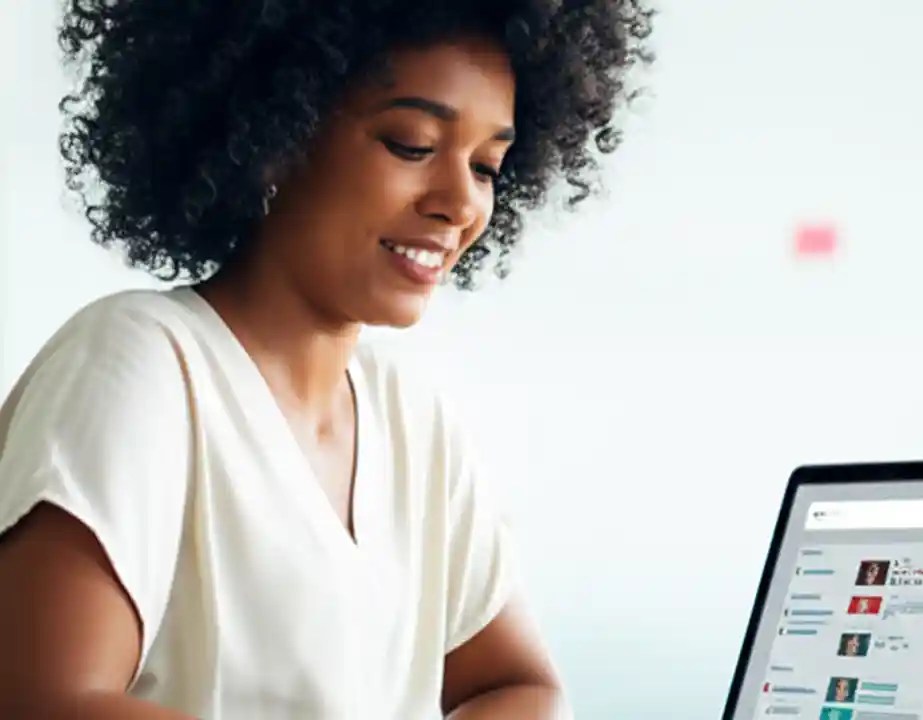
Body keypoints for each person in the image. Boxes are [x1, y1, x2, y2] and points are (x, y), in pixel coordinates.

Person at [0, 1, 651, 718]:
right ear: (275, 134)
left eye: (487, 165)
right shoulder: (140, 366)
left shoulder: (411, 422)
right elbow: (43, 701)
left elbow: (521, 687)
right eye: (411, 144)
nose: (461, 202)